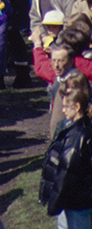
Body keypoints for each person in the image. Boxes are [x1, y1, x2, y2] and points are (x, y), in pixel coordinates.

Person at [39, 78, 92, 229]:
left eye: (66, 107)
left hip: (75, 201)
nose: (63, 110)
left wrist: (54, 202)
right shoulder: (85, 128)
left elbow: (66, 172)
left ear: (77, 107)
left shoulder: (76, 136)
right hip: (80, 198)